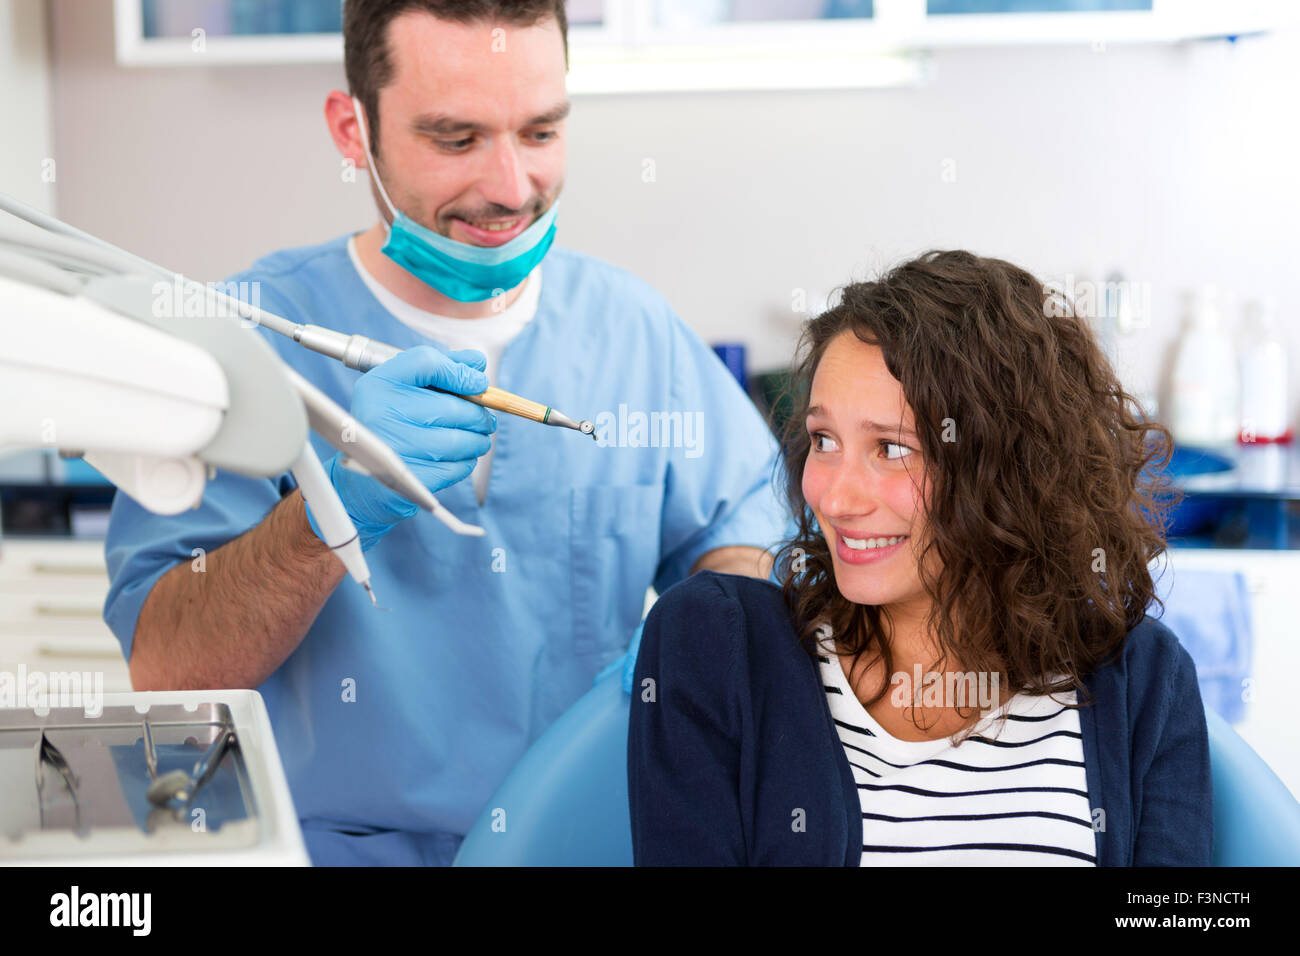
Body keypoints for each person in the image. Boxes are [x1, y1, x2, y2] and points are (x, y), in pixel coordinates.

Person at [103, 0, 786, 866]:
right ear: (353, 131)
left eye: (539, 133)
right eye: (456, 140)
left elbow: (755, 547)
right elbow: (168, 670)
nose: (509, 186)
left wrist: (713, 616)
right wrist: (321, 522)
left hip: (586, 846)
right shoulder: (243, 341)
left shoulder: (634, 334)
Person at [628, 250, 1213, 866]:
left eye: (890, 448)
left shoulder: (1142, 680)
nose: (836, 496)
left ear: (1009, 469)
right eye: (824, 440)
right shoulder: (720, 644)